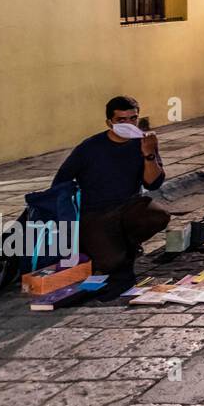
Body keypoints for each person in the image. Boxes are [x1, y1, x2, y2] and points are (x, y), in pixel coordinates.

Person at [54, 96, 169, 275]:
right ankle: (91, 243)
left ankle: (125, 241)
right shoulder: (89, 147)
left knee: (158, 216)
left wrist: (149, 154)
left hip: (128, 206)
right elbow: (61, 181)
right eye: (121, 120)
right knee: (112, 263)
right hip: (94, 212)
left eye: (133, 118)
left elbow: (153, 183)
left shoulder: (143, 143)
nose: (129, 124)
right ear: (109, 123)